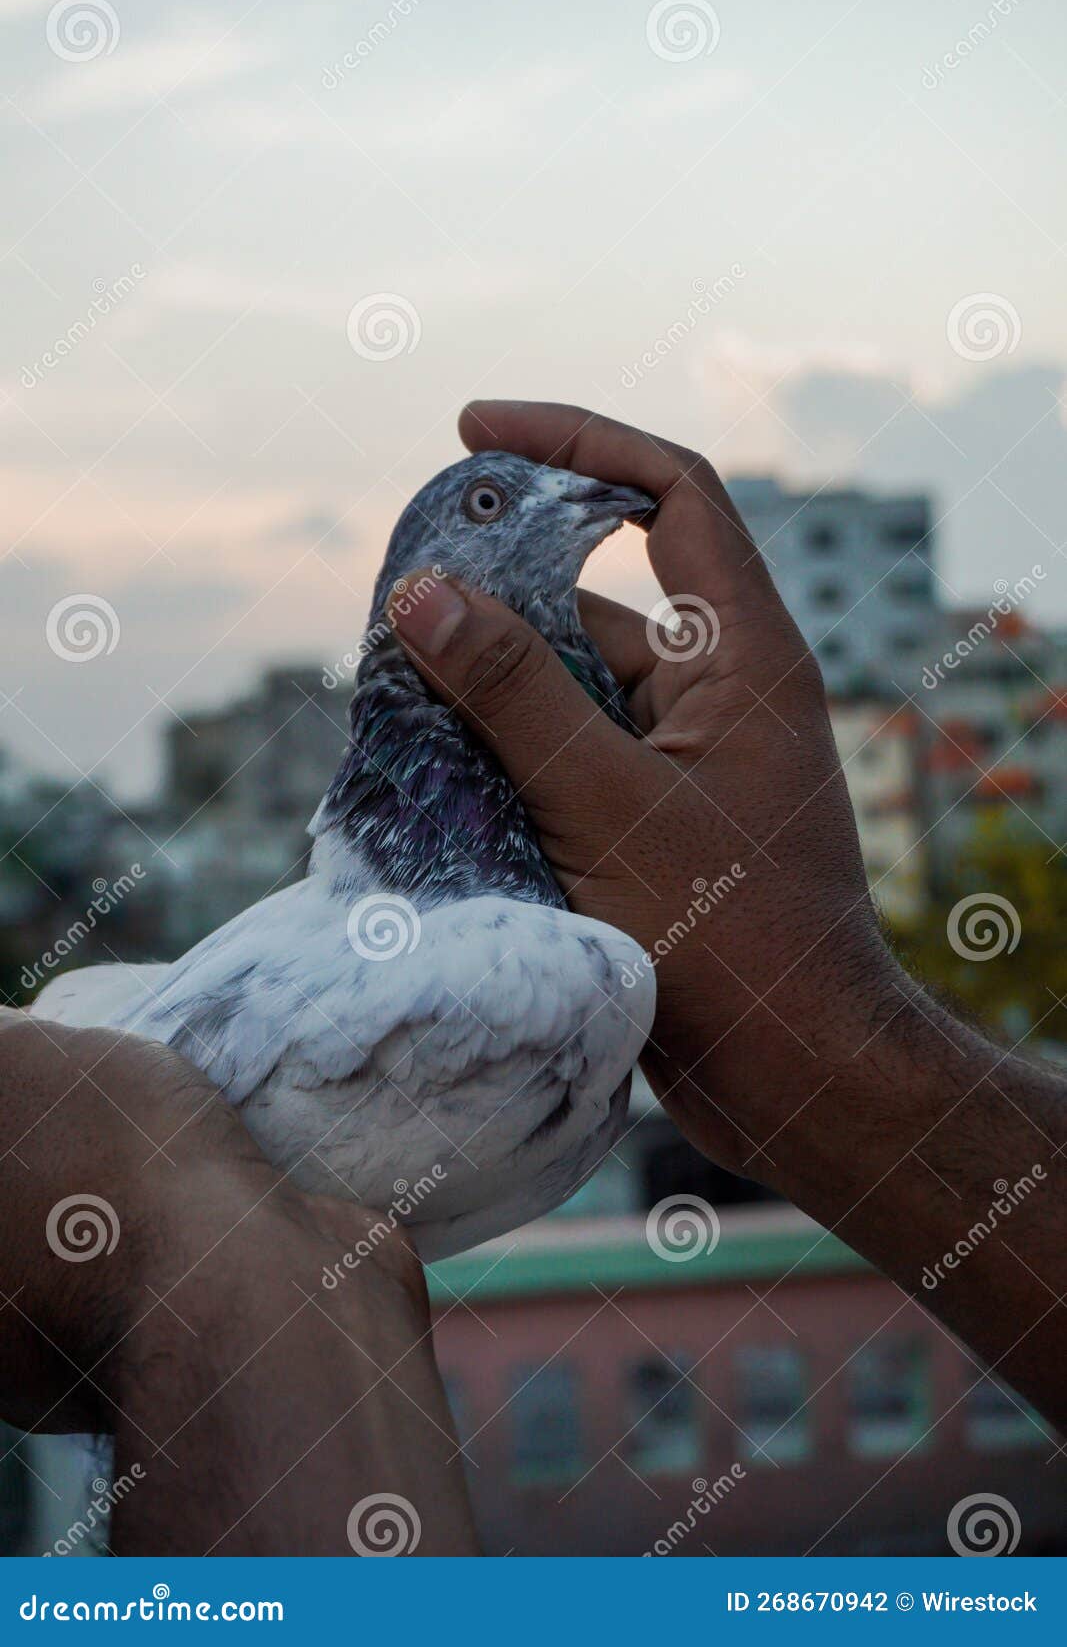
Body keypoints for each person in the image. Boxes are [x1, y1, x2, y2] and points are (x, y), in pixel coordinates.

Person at [2, 401, 1062, 1555]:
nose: (574, 506)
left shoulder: (457, 959)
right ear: (426, 595)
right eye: (493, 505)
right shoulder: (546, 985)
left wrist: (823, 1038)